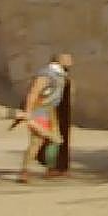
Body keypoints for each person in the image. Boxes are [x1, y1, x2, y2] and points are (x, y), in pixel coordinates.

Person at [15, 52, 72, 182]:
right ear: (59, 60)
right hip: (39, 109)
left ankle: (50, 169)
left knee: (55, 139)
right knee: (37, 141)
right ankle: (24, 171)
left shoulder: (60, 75)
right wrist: (28, 113)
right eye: (67, 58)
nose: (70, 61)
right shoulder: (46, 74)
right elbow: (33, 93)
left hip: (49, 110)